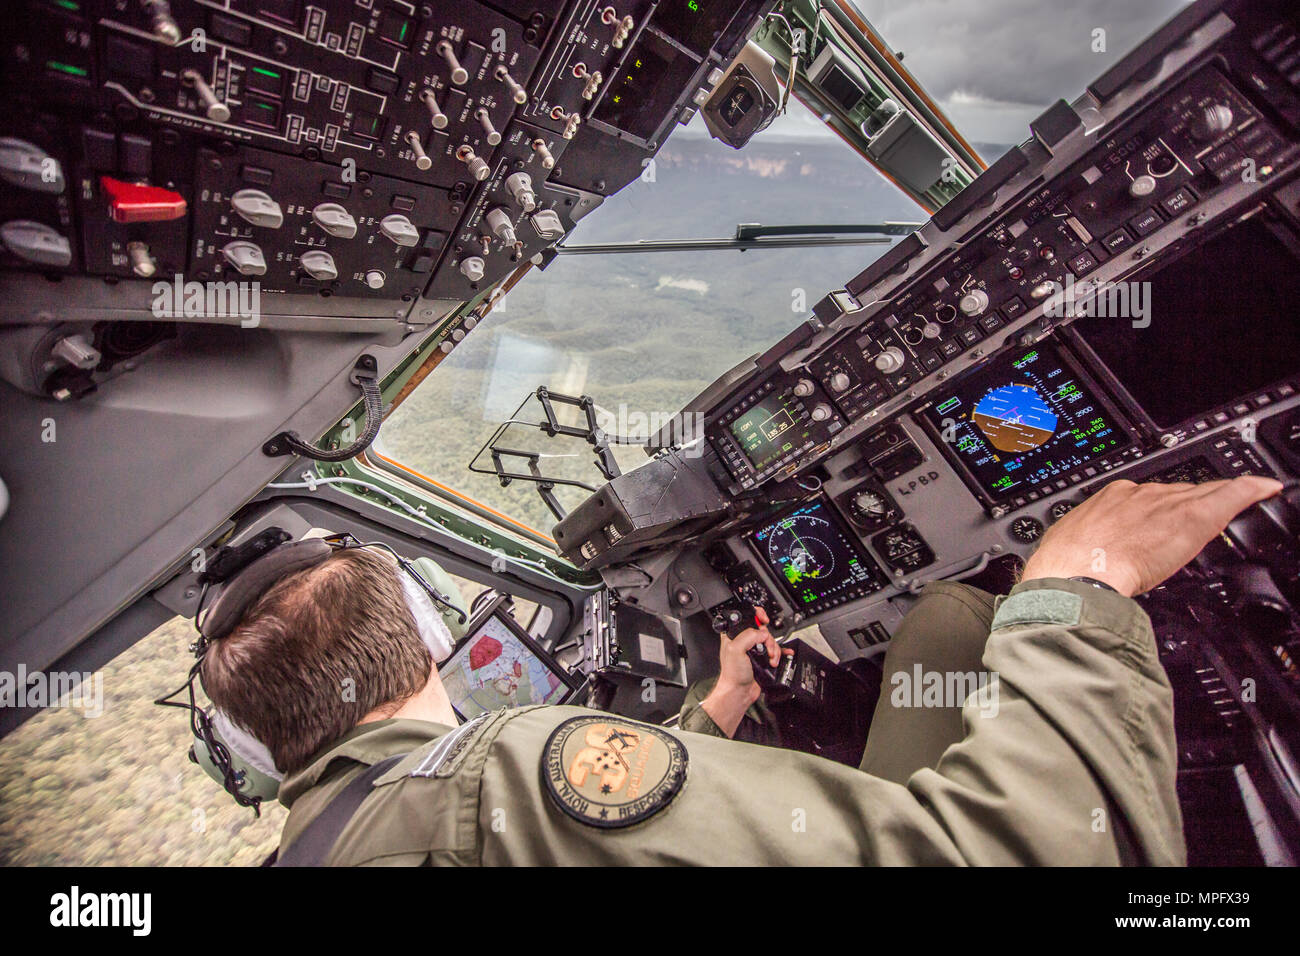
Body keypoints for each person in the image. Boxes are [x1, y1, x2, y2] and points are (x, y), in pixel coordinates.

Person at [199, 475, 1283, 865]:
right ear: (434, 635)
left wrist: (710, 712)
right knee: (957, 615)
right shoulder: (488, 776)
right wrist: (1078, 593)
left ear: (256, 747)